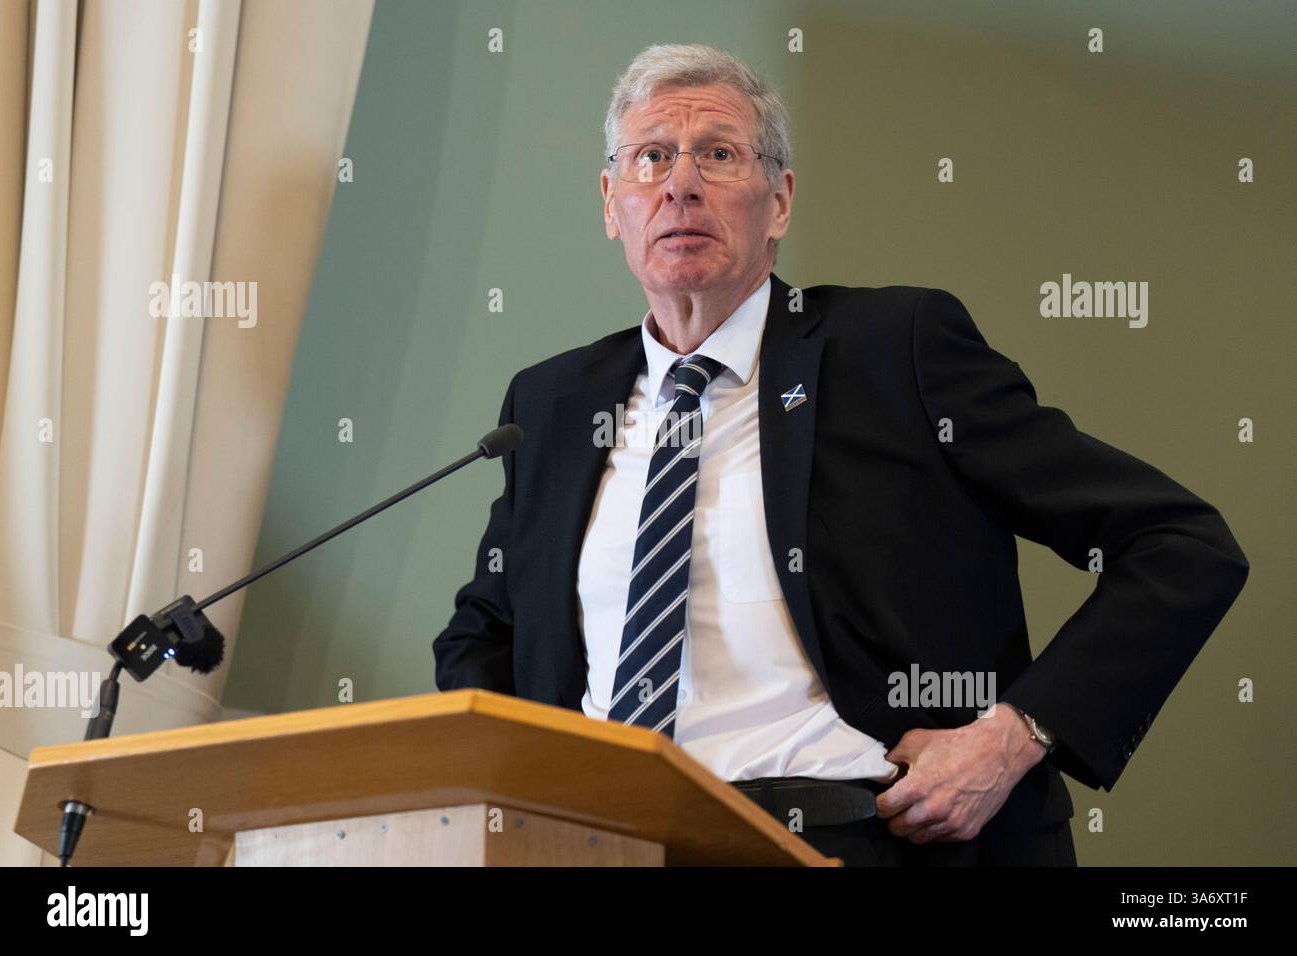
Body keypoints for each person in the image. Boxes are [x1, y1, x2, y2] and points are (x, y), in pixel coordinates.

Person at [433, 43, 1249, 866]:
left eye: (717, 154)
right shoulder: (553, 405)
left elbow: (1179, 546)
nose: (679, 183)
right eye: (650, 158)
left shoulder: (897, 352)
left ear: (779, 201)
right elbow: (486, 632)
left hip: (861, 833)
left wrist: (1012, 735)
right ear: (612, 203)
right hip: (620, 843)